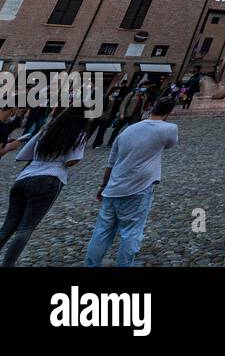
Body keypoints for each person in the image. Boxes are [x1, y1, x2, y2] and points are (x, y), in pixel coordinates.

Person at [84, 95, 179, 267]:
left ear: (152, 107)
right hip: (139, 189)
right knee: (131, 233)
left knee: (101, 232)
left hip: (113, 188)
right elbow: (170, 144)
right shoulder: (169, 129)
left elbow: (110, 164)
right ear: (169, 112)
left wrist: (103, 186)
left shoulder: (127, 131)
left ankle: (90, 265)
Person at [0, 106, 88, 266]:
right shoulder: (79, 134)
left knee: (8, 226)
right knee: (25, 228)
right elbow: (71, 160)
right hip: (49, 180)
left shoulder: (47, 129)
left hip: (24, 177)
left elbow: (26, 153)